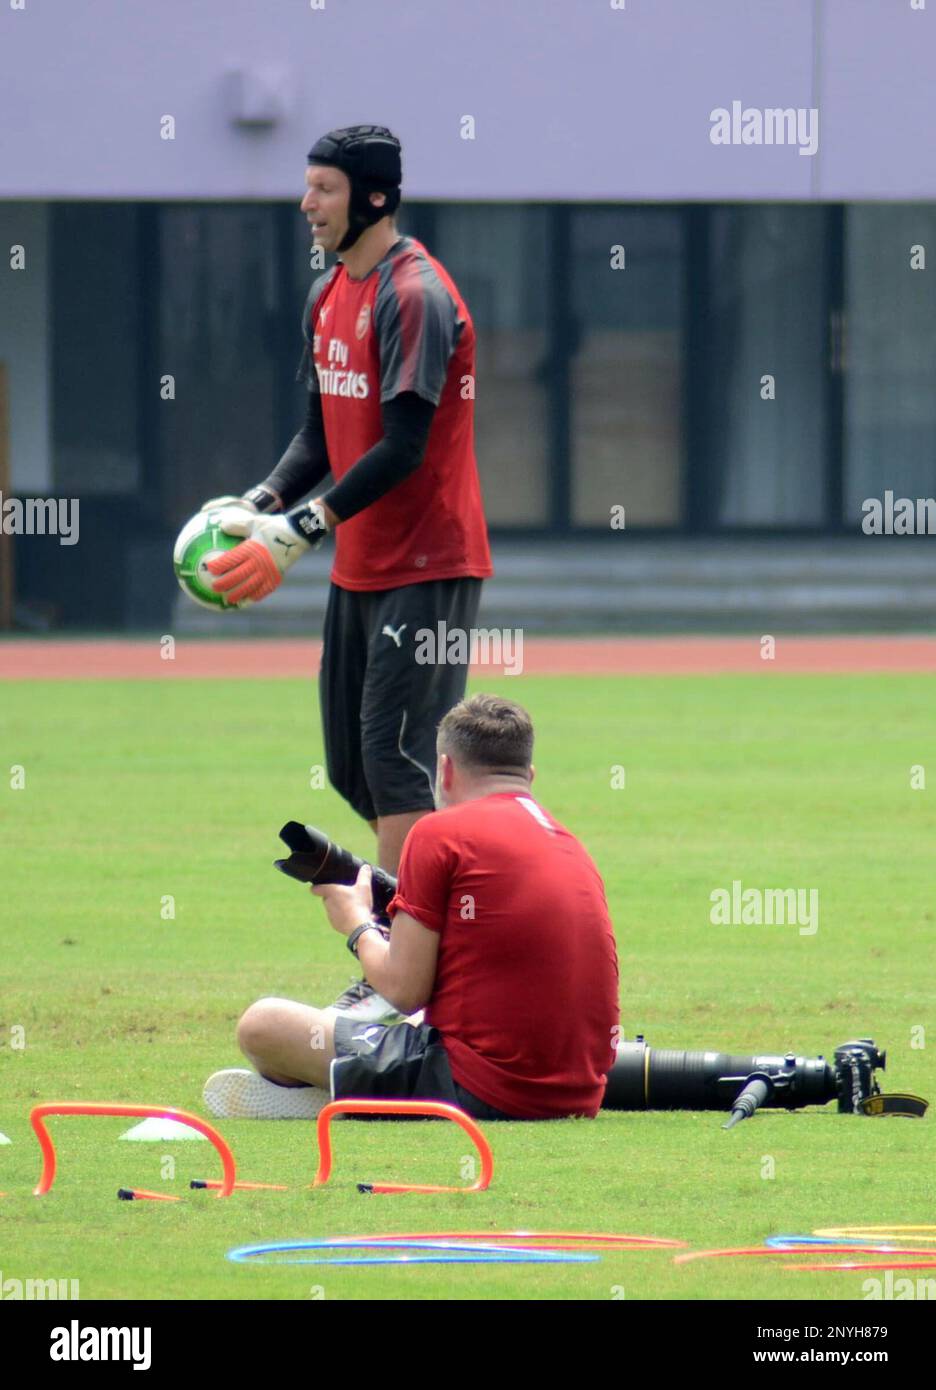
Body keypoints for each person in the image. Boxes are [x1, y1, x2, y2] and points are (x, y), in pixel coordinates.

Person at [198, 125, 493, 1023]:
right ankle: (439, 931)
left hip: (429, 560)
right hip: (363, 568)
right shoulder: (328, 289)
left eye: (321, 189)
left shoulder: (417, 294)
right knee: (350, 768)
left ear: (371, 198)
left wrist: (301, 529)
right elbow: (322, 433)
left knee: (395, 759)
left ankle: (402, 980)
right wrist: (263, 499)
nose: (305, 205)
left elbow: (404, 444)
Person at [203, 694, 620, 1122]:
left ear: (445, 769)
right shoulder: (569, 842)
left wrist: (356, 924)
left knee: (262, 1024)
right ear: (528, 775)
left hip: (480, 1089)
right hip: (580, 1092)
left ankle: (337, 1092)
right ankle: (346, 1086)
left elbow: (403, 991)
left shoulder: (439, 832)